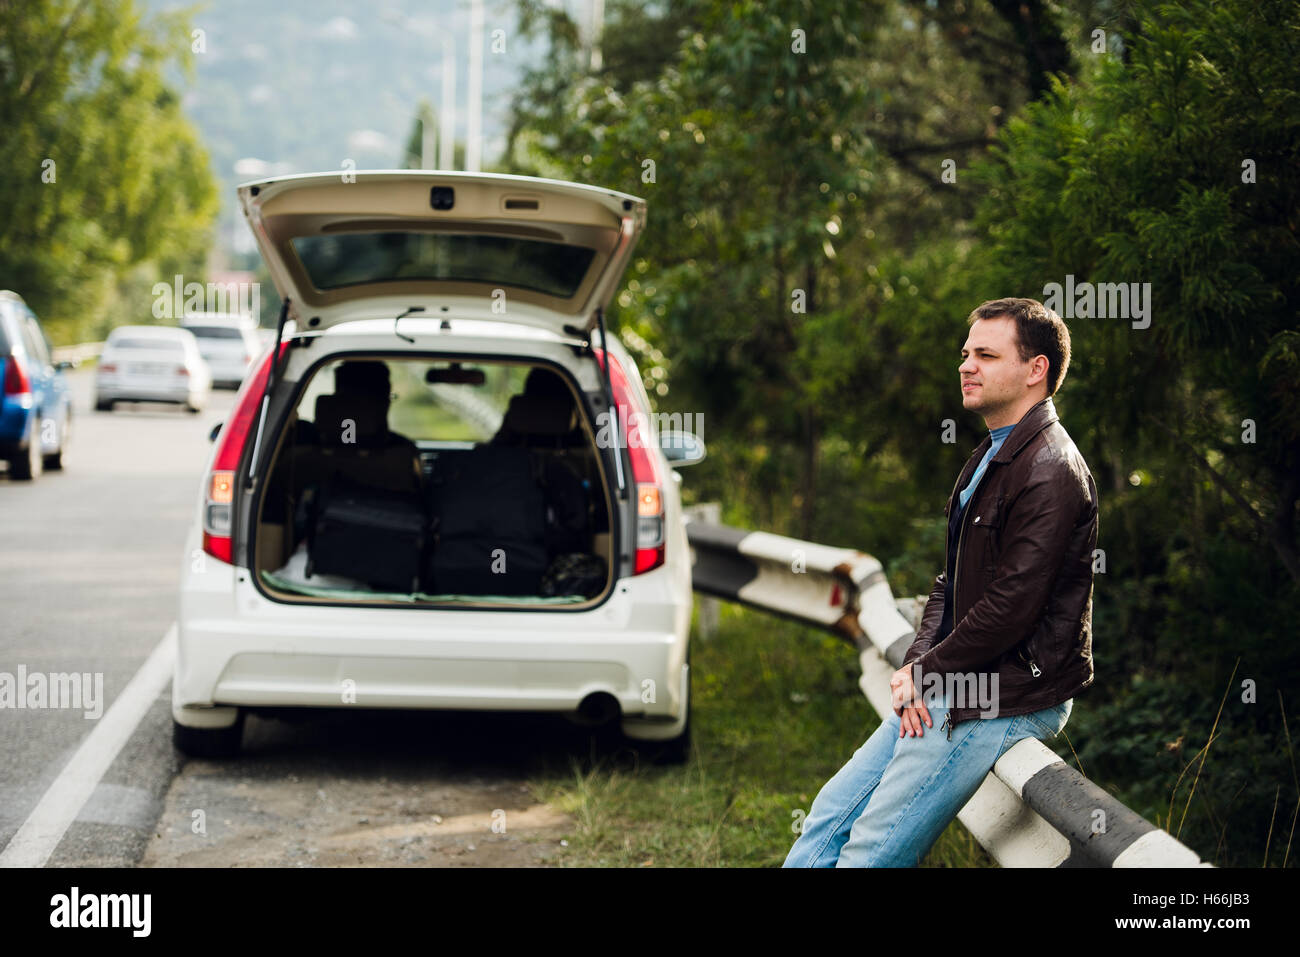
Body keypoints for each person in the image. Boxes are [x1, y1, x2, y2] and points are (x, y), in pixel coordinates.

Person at [783, 297, 1099, 868]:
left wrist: (927, 673)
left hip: (1005, 694)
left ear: (1037, 370)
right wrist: (919, 667)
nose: (965, 365)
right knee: (831, 815)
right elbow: (951, 582)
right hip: (960, 680)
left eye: (985, 354)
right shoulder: (994, 452)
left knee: (870, 850)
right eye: (964, 352)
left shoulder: (1051, 469)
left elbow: (1011, 608)